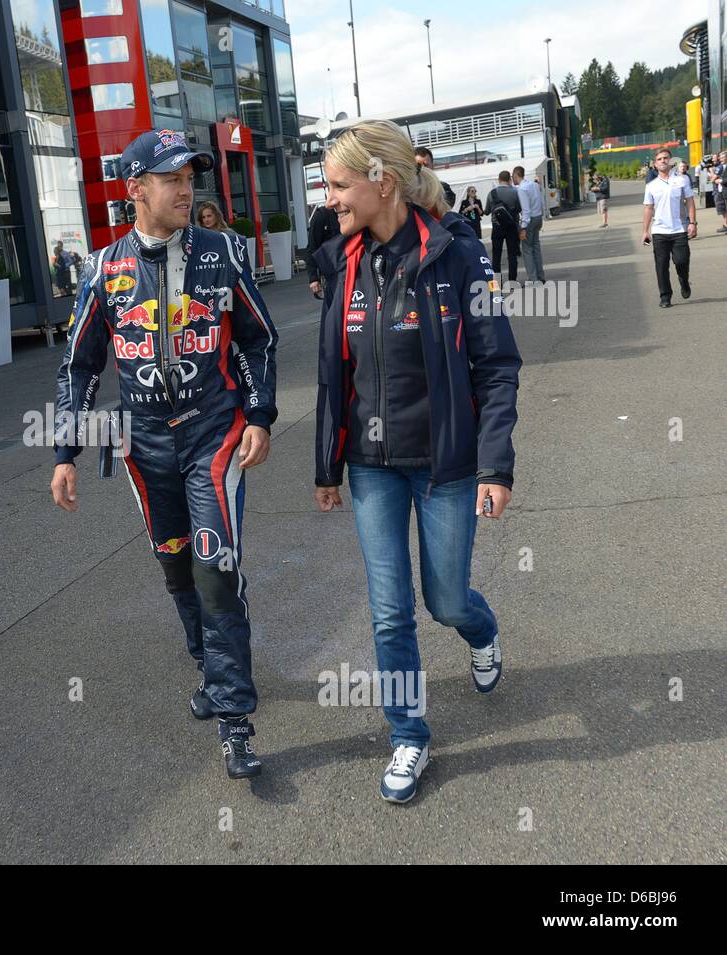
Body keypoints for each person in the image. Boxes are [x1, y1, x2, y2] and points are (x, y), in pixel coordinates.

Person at [52, 128, 278, 780]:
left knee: (215, 564)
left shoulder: (223, 253)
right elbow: (79, 366)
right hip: (144, 443)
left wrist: (259, 414)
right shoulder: (102, 268)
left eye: (190, 177)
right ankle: (211, 660)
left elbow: (258, 340)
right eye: (173, 178)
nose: (186, 189)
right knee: (176, 565)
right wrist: (65, 450)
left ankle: (235, 718)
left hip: (213, 433)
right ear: (136, 190)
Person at [311, 120, 521, 805]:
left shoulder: (459, 257)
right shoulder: (340, 262)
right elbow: (330, 372)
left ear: (384, 183)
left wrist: (495, 465)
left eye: (340, 185)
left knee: (447, 600)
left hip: (445, 465)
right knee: (389, 612)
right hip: (371, 464)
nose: (329, 197)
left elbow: (496, 365)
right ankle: (408, 732)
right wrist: (325, 465)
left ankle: (482, 631)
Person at [642, 147, 698, 308]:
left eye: (665, 158)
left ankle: (683, 280)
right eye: (659, 159)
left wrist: (692, 223)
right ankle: (665, 296)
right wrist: (645, 231)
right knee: (661, 266)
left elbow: (690, 202)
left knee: (681, 261)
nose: (663, 161)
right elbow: (648, 208)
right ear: (655, 163)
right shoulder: (651, 186)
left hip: (679, 229)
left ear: (671, 161)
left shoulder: (681, 180)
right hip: (659, 231)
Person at [484, 171, 523, 281]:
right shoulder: (514, 192)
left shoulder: (492, 193)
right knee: (512, 255)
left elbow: (487, 211)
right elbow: (519, 208)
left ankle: (497, 282)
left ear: (499, 179)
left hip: (497, 227)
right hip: (511, 226)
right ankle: (512, 281)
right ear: (509, 179)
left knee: (496, 255)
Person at [512, 166, 546, 282]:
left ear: (516, 175)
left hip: (530, 219)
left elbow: (526, 210)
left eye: (513, 177)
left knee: (527, 250)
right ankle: (541, 277)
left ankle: (533, 279)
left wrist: (523, 227)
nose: (513, 179)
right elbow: (541, 202)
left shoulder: (522, 189)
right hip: (538, 217)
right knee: (536, 248)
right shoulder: (534, 185)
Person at [305, 202, 341, 299]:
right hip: (331, 273)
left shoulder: (355, 213)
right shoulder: (322, 215)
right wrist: (313, 278)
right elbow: (312, 247)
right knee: (335, 309)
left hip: (355, 271)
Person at [712, 152, 726, 233]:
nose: (713, 159)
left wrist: (711, 171)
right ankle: (725, 225)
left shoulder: (720, 167)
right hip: (721, 190)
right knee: (723, 209)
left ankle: (725, 225)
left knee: (723, 209)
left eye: (715, 157)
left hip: (721, 190)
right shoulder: (720, 166)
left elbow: (712, 179)